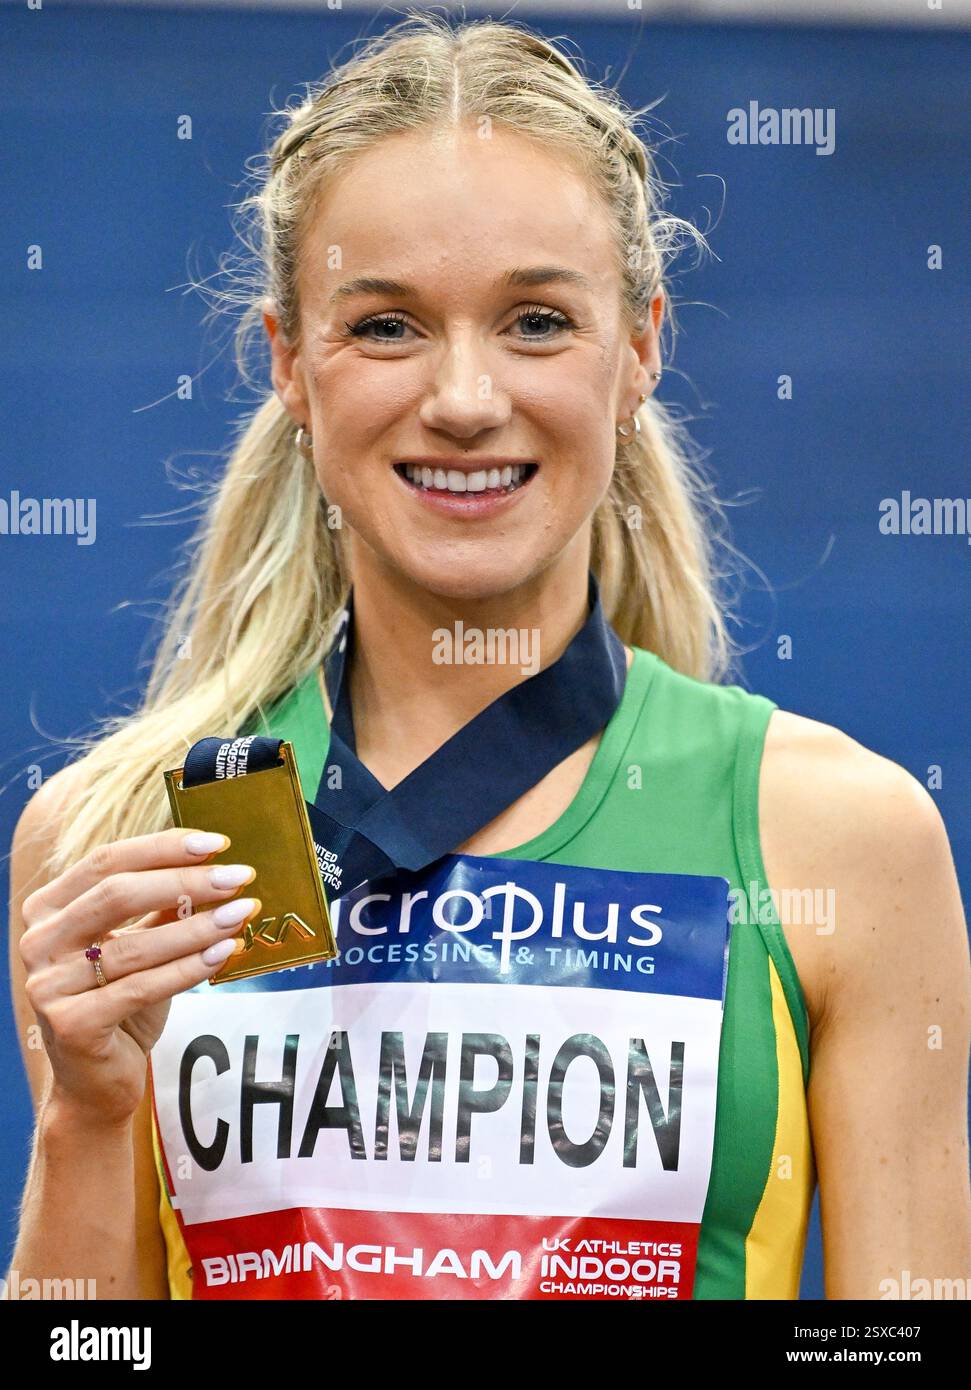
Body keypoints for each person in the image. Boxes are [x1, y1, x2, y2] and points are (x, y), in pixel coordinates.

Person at [6, 13, 970, 1303]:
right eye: (389, 327)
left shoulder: (844, 837)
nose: (464, 398)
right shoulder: (128, 840)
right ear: (290, 363)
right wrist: (83, 1122)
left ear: (639, 347)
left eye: (534, 321)